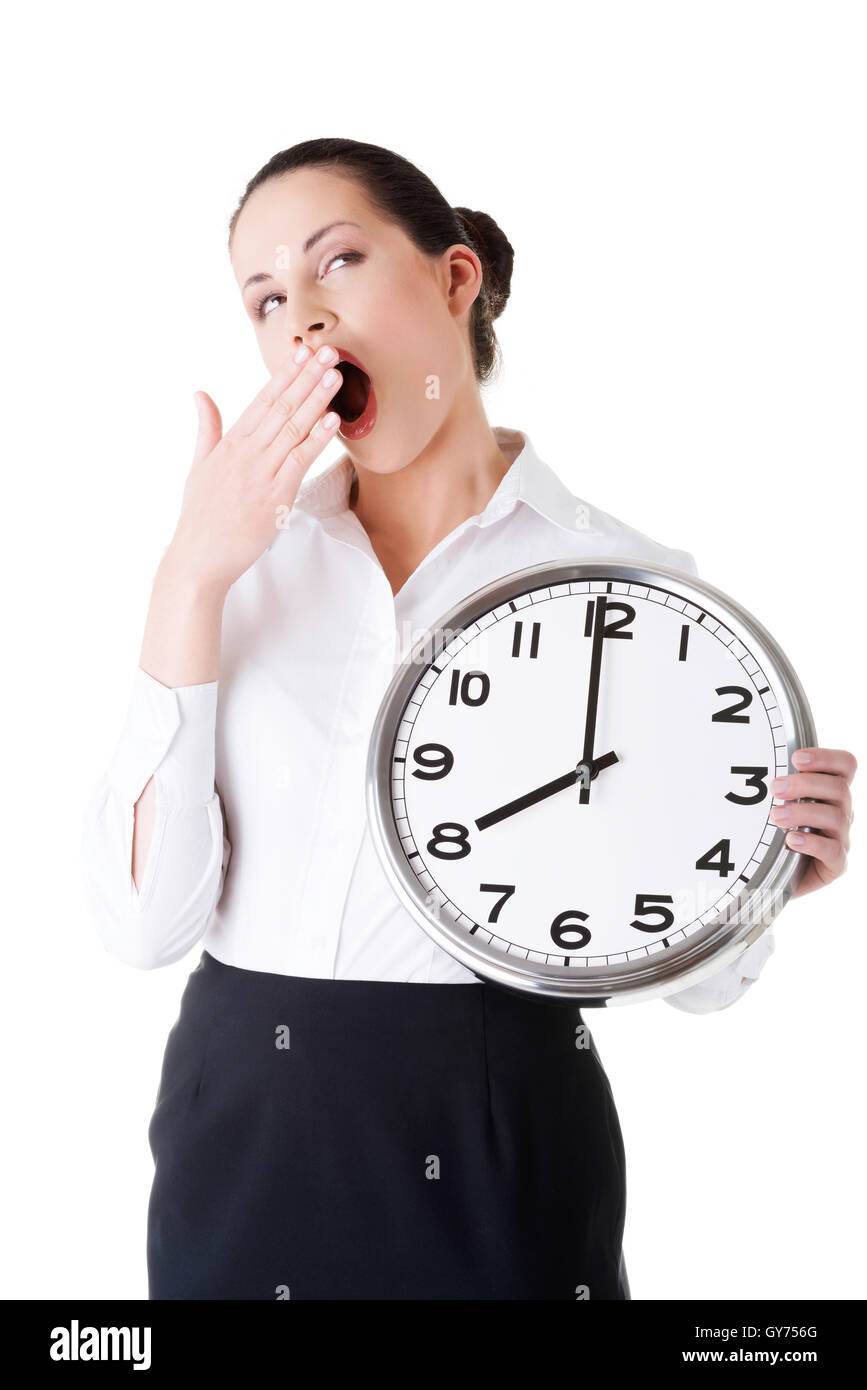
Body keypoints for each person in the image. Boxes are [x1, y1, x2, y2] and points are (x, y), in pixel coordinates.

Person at [80, 138, 856, 1301]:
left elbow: (700, 985)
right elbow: (144, 928)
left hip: (499, 1132)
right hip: (241, 1120)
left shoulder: (631, 584)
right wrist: (187, 579)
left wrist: (754, 886)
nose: (301, 316)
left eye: (336, 261)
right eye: (266, 298)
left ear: (454, 280)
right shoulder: (237, 568)